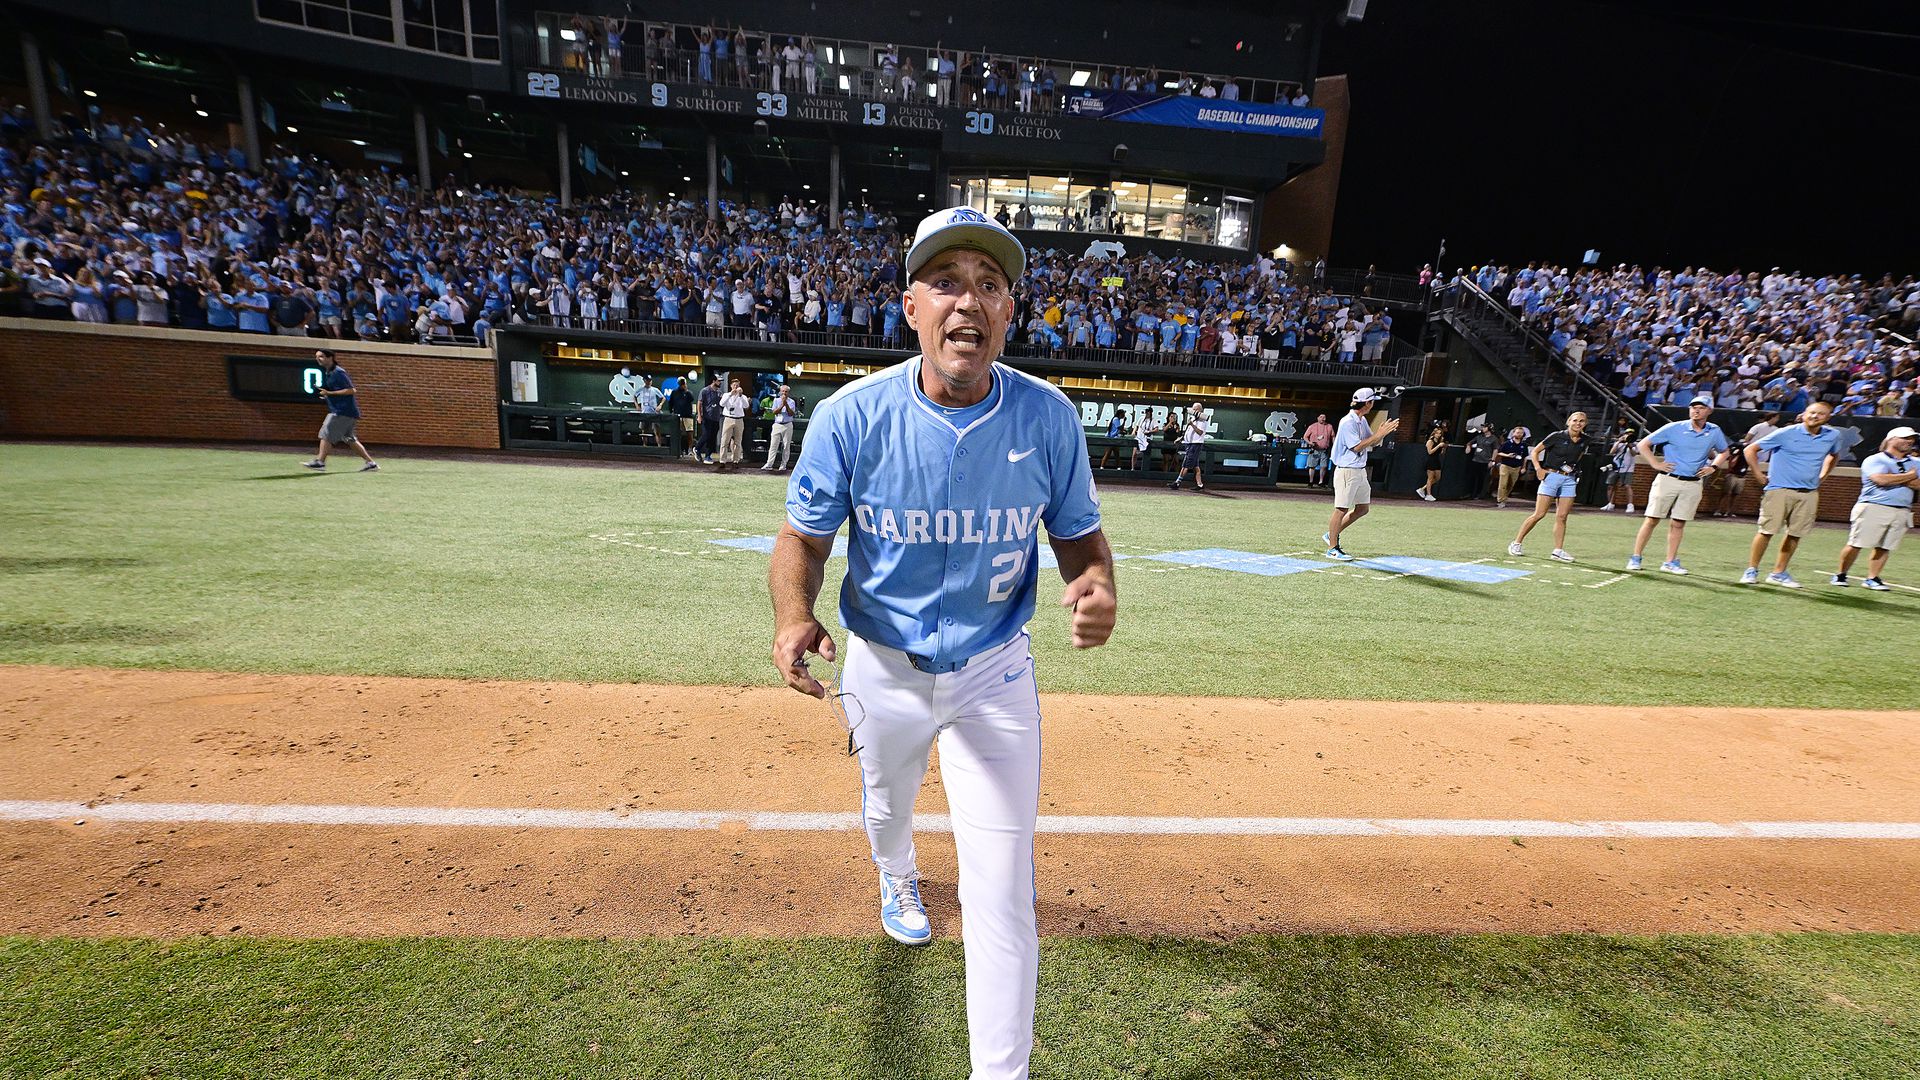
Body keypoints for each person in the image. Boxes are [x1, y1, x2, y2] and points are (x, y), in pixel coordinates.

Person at [768, 206, 1115, 1080]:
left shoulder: (1048, 418)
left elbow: (1078, 536)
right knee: (886, 804)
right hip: (880, 666)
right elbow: (803, 540)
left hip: (996, 675)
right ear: (912, 305)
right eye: (948, 282)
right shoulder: (853, 416)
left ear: (1009, 312)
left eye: (991, 285)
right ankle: (895, 874)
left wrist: (1097, 582)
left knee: (1002, 893)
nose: (971, 300)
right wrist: (792, 615)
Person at [1741, 401, 1840, 587]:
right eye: (1811, 412)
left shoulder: (1833, 435)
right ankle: (1751, 570)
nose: (1814, 416)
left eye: (1820, 414)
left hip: (1809, 492)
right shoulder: (1786, 433)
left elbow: (1834, 455)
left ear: (1828, 417)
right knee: (1766, 531)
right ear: (1804, 414)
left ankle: (1778, 573)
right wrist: (1757, 473)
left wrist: (1824, 475)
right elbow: (1750, 449)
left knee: (1795, 534)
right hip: (1780, 490)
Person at [1627, 396, 1728, 574]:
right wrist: (1655, 463)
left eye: (1701, 408)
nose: (1696, 410)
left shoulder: (1714, 430)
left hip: (1693, 483)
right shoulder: (1674, 427)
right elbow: (1643, 444)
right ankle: (1636, 557)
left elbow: (1724, 451)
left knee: (1679, 523)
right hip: (1668, 478)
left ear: (1709, 411)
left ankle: (1670, 561)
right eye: (1693, 407)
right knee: (1652, 519)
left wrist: (1713, 467)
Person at [1832, 426, 1916, 591]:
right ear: (1891, 439)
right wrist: (1909, 476)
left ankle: (1872, 577)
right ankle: (1841, 574)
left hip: (1902, 508)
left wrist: (1894, 478)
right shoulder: (1875, 459)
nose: (1909, 442)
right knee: (1856, 543)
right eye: (1905, 438)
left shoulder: (1915, 462)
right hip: (1874, 505)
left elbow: (1915, 484)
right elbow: (1880, 480)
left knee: (1885, 546)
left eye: (1911, 439)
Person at [1324, 388, 1395, 561]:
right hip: (1347, 469)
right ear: (1367, 403)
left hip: (1358, 470)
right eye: (1372, 401)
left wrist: (1381, 434)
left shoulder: (1361, 420)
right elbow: (1356, 446)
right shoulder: (1348, 422)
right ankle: (1332, 548)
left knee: (1363, 508)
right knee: (1341, 508)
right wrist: (1379, 434)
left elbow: (1371, 442)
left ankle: (1331, 534)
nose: (1373, 404)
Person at [1508, 412, 1590, 562]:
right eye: (1575, 420)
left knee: (1562, 516)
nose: (1578, 423)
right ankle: (1516, 543)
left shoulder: (1585, 440)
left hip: (1569, 480)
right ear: (1568, 422)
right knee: (1539, 514)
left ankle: (1557, 551)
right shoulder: (1556, 436)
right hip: (1551, 477)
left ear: (1585, 423)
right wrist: (1539, 469)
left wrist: (1574, 470)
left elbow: (1578, 457)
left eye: (1582, 421)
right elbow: (1535, 452)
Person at [301, 349, 378, 472]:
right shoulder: (330, 372)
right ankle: (371, 463)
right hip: (346, 411)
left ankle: (320, 462)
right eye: (316, 357)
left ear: (330, 357)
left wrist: (330, 393)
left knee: (326, 433)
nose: (318, 359)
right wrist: (327, 394)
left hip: (342, 411)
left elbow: (351, 390)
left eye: (321, 356)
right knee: (349, 439)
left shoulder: (338, 372)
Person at [1168, 401, 1209, 491]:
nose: (1193, 411)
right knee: (1195, 466)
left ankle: (1177, 483)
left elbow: (1200, 432)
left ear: (1199, 410)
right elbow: (1188, 431)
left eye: (1195, 409)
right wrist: (1181, 438)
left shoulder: (1202, 420)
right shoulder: (1193, 419)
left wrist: (1192, 424)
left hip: (1195, 444)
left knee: (1185, 464)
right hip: (1189, 444)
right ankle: (1200, 484)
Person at [716, 377, 751, 470]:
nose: (736, 387)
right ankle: (722, 461)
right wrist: (730, 395)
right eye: (734, 385)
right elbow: (722, 404)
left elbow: (746, 406)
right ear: (731, 386)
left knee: (738, 442)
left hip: (739, 419)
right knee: (724, 441)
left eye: (737, 385)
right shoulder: (726, 395)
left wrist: (740, 395)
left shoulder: (742, 397)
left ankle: (735, 461)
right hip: (728, 419)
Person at [762, 384, 799, 471]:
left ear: (788, 392)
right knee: (773, 445)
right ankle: (769, 464)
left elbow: (791, 413)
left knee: (786, 445)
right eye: (783, 391)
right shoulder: (776, 400)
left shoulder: (792, 402)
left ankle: (783, 465)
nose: (784, 393)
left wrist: (786, 404)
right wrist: (782, 405)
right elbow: (774, 411)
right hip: (777, 424)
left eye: (786, 391)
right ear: (780, 392)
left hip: (787, 424)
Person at [1600, 426, 1636, 513]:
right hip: (1616, 467)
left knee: (1627, 486)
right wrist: (1619, 441)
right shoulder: (1619, 443)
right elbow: (1612, 452)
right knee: (1611, 485)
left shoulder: (1635, 444)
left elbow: (1634, 454)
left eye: (1630, 434)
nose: (1628, 436)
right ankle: (1610, 503)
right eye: (1627, 434)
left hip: (1628, 469)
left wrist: (1630, 446)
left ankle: (1630, 505)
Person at [1493, 426, 1529, 507]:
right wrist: (1507, 455)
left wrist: (1524, 467)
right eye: (1518, 432)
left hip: (1517, 467)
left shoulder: (1524, 445)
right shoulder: (1507, 443)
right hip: (1505, 465)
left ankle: (1505, 497)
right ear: (1513, 433)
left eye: (1521, 433)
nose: (1519, 434)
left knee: (1511, 484)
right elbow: (1499, 453)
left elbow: (1525, 457)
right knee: (1503, 483)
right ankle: (1500, 500)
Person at [1464, 424, 1497, 500]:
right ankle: (1471, 493)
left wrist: (1492, 460)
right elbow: (1470, 442)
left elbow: (1495, 449)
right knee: (1472, 477)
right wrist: (1468, 446)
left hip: (1485, 461)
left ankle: (1479, 494)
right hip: (1476, 459)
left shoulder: (1494, 439)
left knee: (1482, 479)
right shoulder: (1479, 437)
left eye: (1485, 427)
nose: (1483, 428)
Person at [1416, 419, 1447, 500]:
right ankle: (1428, 495)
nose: (1438, 435)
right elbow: (1430, 452)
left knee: (1437, 478)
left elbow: (1441, 453)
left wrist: (1443, 447)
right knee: (1430, 478)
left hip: (1437, 460)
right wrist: (1438, 446)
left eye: (1440, 434)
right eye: (1437, 433)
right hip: (1430, 460)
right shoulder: (1430, 441)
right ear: (1434, 433)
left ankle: (1422, 489)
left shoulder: (1440, 441)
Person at [697, 373, 723, 464]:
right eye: (718, 381)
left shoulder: (719, 393)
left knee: (712, 437)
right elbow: (699, 403)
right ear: (713, 381)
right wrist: (699, 416)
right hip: (707, 417)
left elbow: (722, 403)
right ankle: (697, 449)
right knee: (706, 435)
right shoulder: (704, 390)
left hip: (716, 418)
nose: (720, 383)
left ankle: (708, 456)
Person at [669, 374, 697, 458]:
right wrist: (672, 413)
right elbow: (671, 403)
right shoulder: (674, 392)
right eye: (681, 383)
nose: (682, 385)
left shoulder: (688, 392)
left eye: (683, 383)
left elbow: (692, 399)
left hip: (688, 415)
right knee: (679, 433)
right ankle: (680, 450)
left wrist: (686, 390)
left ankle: (690, 449)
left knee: (689, 433)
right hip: (678, 416)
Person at [1302, 412, 1334, 487]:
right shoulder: (1312, 426)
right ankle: (1311, 482)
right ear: (1318, 418)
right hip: (1314, 449)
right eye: (1321, 417)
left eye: (1324, 417)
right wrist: (1310, 443)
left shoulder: (1329, 426)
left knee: (1323, 466)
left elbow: (1333, 436)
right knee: (1312, 466)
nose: (1323, 418)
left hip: (1324, 450)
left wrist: (1335, 444)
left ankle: (1321, 482)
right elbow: (1305, 437)